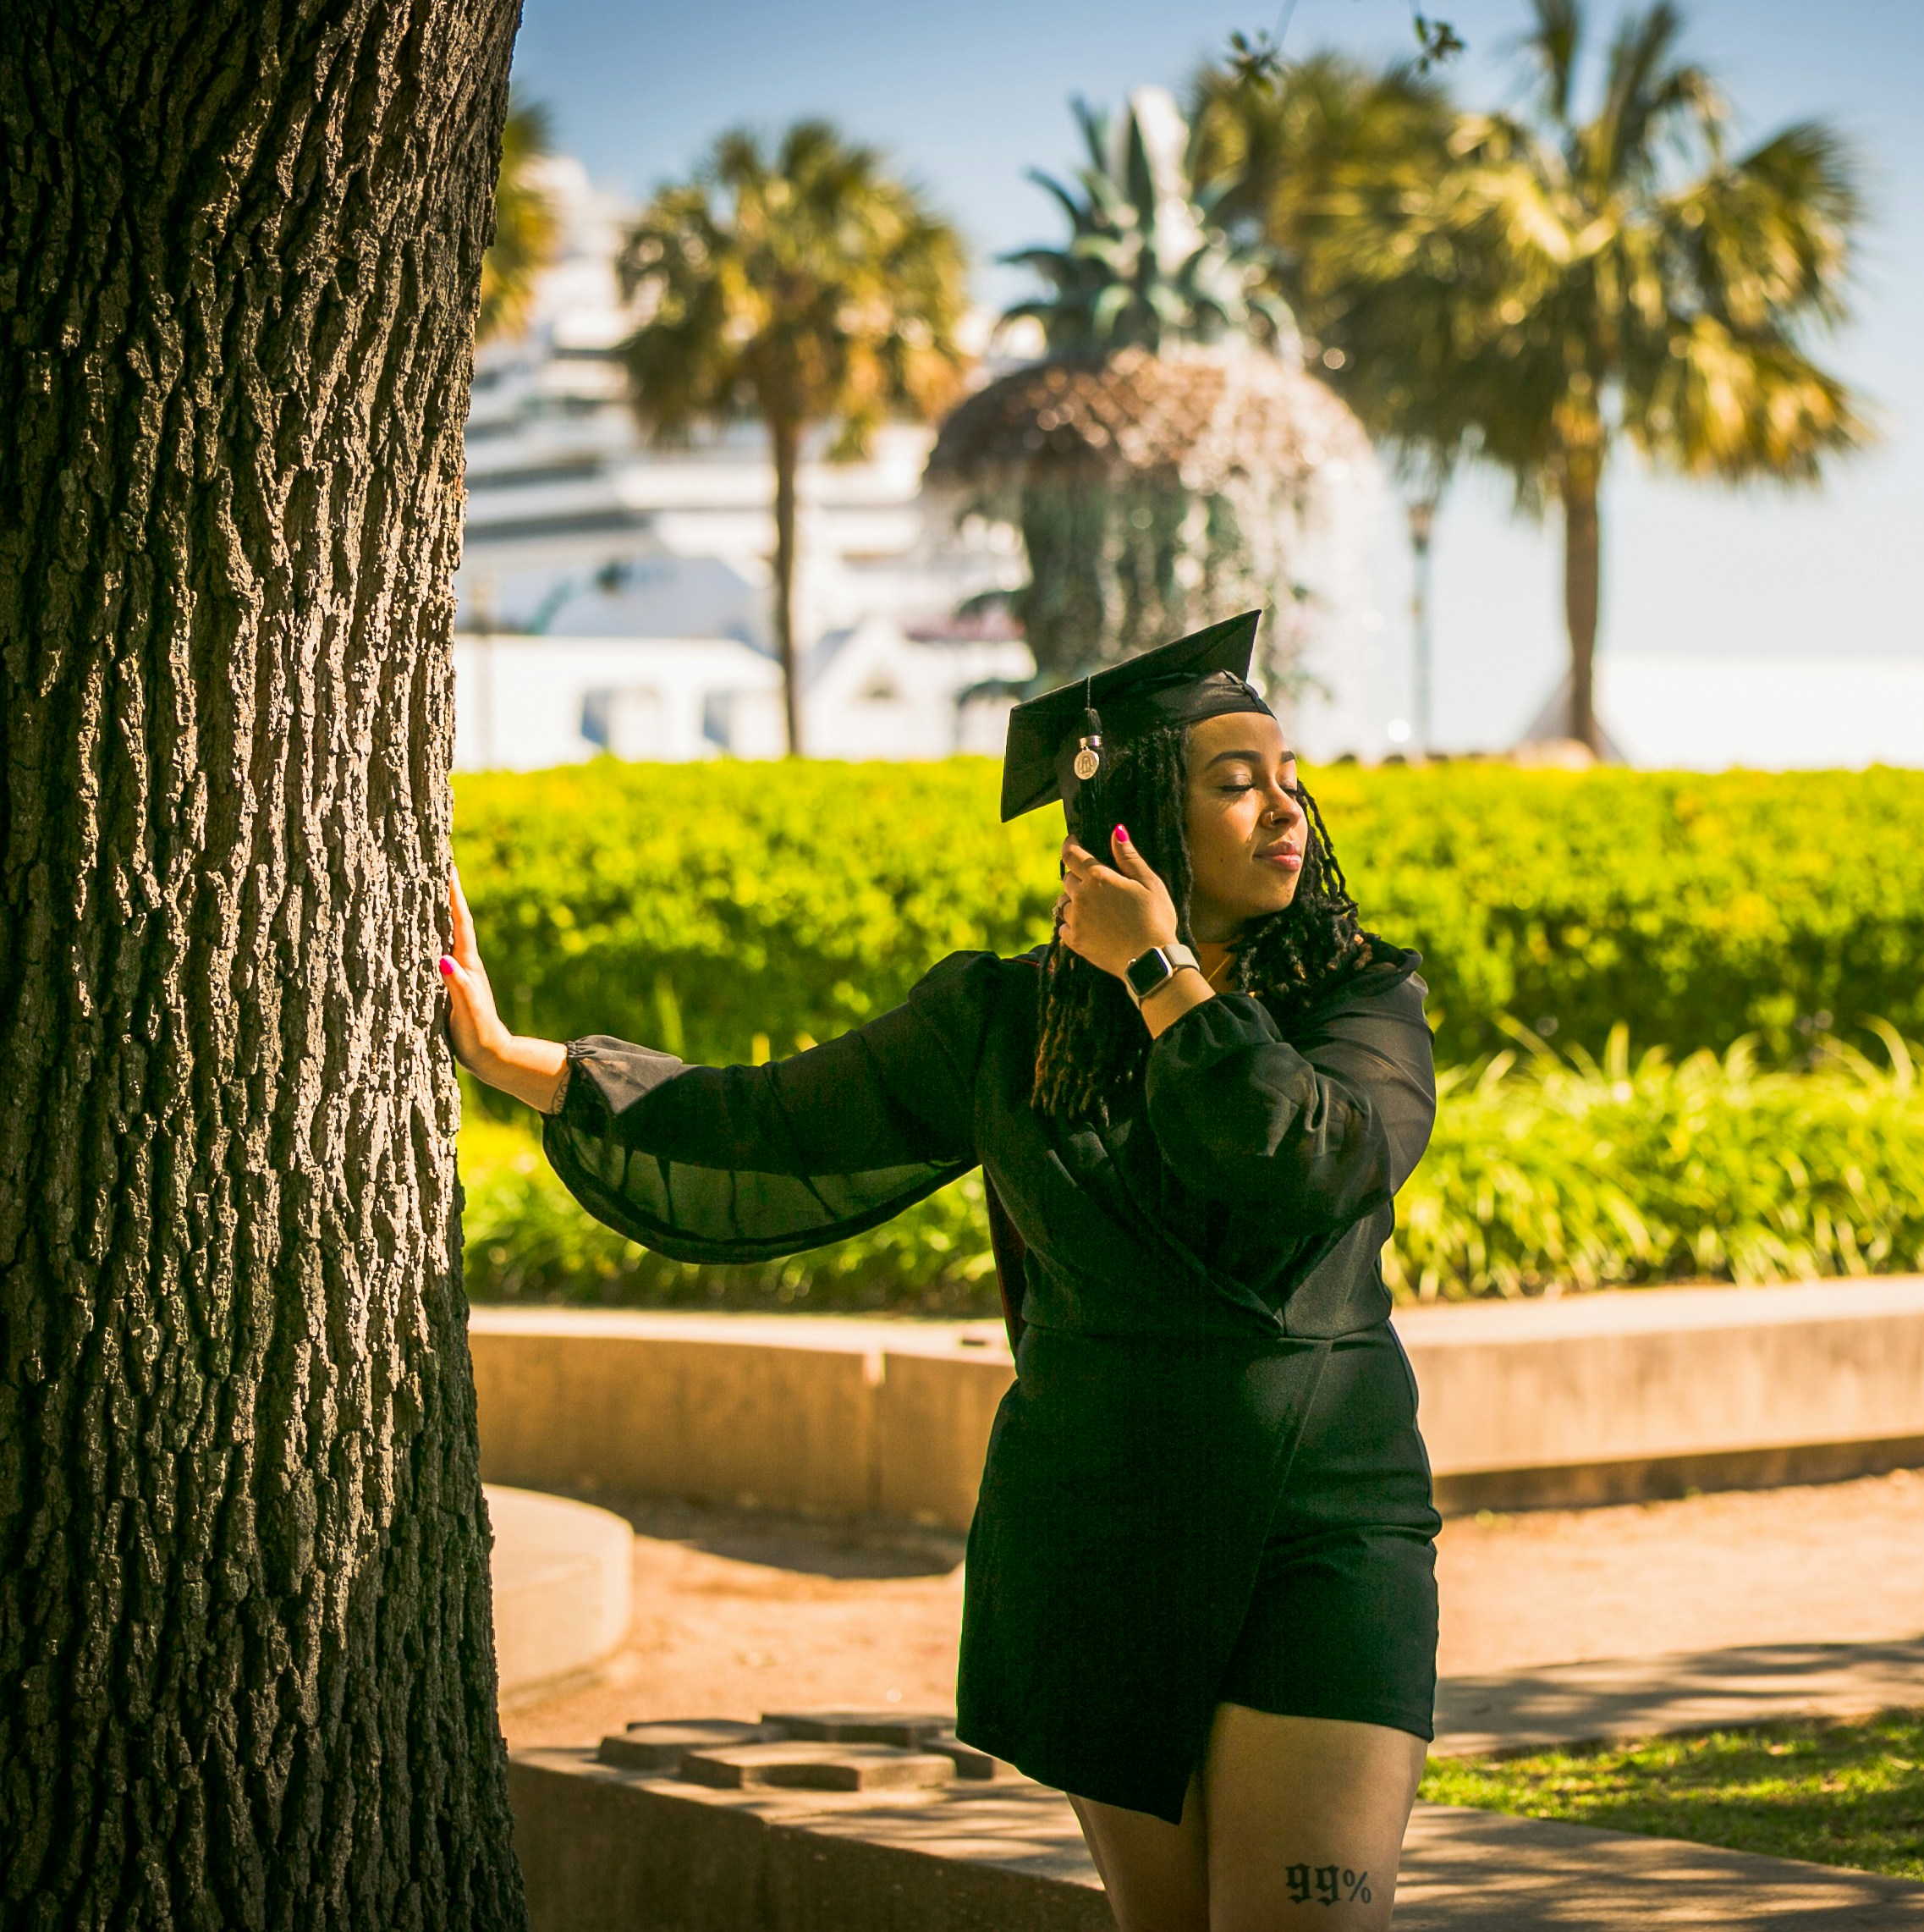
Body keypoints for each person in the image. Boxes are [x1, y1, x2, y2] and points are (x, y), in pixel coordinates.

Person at [439, 612, 1442, 1932]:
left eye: (1290, 778)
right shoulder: (1007, 1024)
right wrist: (533, 1066)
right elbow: (777, 1123)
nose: (1284, 811)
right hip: (1101, 1521)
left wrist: (1161, 969)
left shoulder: (1359, 1001)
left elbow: (1307, 1159)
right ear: (1139, 817)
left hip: (1326, 1520)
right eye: (1237, 781)